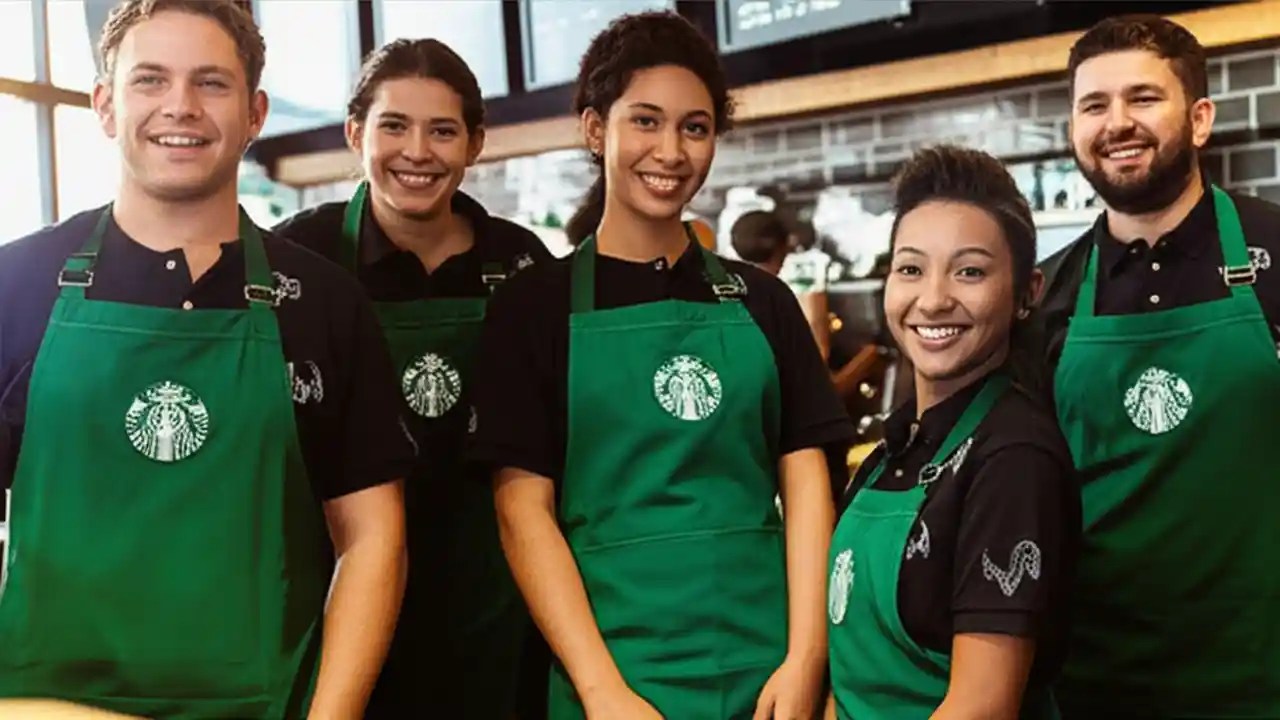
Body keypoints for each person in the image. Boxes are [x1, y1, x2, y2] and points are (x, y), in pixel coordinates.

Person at [0, 1, 411, 717]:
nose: (180, 106)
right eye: (150, 80)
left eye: (211, 83)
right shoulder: (15, 285)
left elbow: (374, 538)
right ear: (105, 105)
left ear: (255, 114)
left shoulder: (324, 302)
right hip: (45, 705)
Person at [470, 11, 854, 720]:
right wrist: (600, 690)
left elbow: (805, 488)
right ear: (596, 129)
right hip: (612, 676)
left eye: (695, 127)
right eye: (645, 121)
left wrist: (806, 657)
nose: (671, 152)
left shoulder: (764, 302)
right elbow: (521, 513)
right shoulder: (533, 308)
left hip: (767, 672)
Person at [273, 37, 554, 720]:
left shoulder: (523, 265)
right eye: (394, 126)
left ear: (475, 143)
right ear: (355, 134)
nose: (417, 152)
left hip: (495, 605)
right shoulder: (295, 262)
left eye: (443, 131)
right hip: (336, 596)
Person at [1038, 14, 1280, 718]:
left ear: (1200, 119)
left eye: (1142, 98)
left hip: (1262, 672)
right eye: (1094, 105)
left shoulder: (1275, 252)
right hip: (1091, 682)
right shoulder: (1044, 294)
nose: (1117, 122)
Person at [825, 146, 1079, 719]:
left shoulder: (1014, 459)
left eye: (970, 272)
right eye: (911, 269)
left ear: (1028, 292)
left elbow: (981, 707)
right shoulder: (891, 453)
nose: (934, 299)